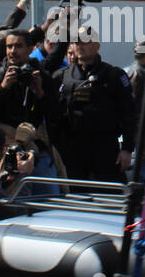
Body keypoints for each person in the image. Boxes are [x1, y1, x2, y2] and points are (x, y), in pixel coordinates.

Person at [51, 26, 136, 182]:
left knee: (109, 196)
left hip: (105, 148)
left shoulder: (114, 75)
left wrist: (127, 149)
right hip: (72, 148)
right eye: (76, 42)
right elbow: (53, 116)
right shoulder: (61, 77)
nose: (80, 45)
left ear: (97, 45)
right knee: (74, 198)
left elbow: (129, 114)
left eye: (85, 41)